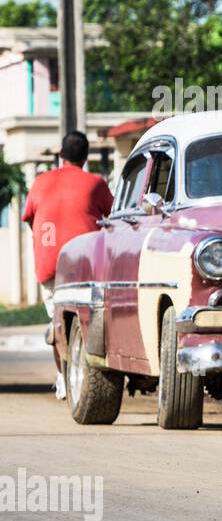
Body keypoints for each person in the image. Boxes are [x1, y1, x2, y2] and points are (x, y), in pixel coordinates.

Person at [21, 131, 114, 399]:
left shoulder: (40, 182)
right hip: (84, 267)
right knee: (86, 319)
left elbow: (29, 218)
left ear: (61, 155)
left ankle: (63, 377)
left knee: (56, 319)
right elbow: (111, 218)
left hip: (49, 265)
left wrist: (48, 240)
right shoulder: (96, 183)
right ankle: (77, 373)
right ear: (86, 157)